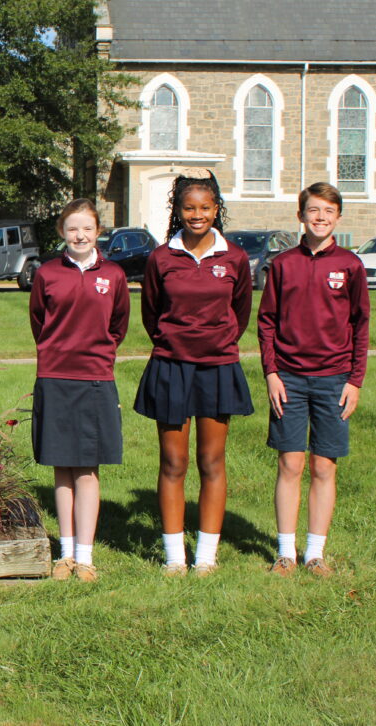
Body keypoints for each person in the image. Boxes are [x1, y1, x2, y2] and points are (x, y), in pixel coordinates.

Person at [135, 172, 253, 577]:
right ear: (178, 211)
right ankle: (174, 558)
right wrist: (175, 343)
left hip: (218, 368)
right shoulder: (161, 258)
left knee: (211, 460)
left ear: (217, 210)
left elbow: (240, 315)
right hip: (171, 366)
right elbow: (152, 313)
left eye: (205, 207)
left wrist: (213, 343)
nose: (197, 215)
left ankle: (205, 557)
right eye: (189, 208)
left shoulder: (234, 257)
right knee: (173, 461)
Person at [258, 183, 369, 578]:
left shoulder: (350, 266)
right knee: (290, 463)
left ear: (338, 216)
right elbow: (267, 321)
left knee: (324, 466)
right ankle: (285, 553)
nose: (320, 217)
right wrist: (271, 372)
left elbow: (360, 325)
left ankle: (315, 553)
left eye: (327, 211)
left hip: (334, 380)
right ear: (300, 215)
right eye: (312, 210)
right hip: (288, 377)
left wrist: (354, 380)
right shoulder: (284, 264)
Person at [29, 199, 130, 583]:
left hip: (96, 378)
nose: (80, 235)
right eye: (72, 229)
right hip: (55, 377)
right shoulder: (48, 274)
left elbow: (118, 325)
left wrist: (98, 354)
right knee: (62, 466)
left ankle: (85, 557)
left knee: (87, 468)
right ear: (62, 232)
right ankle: (65, 555)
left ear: (98, 231)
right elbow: (39, 320)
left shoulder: (115, 275)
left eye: (87, 228)